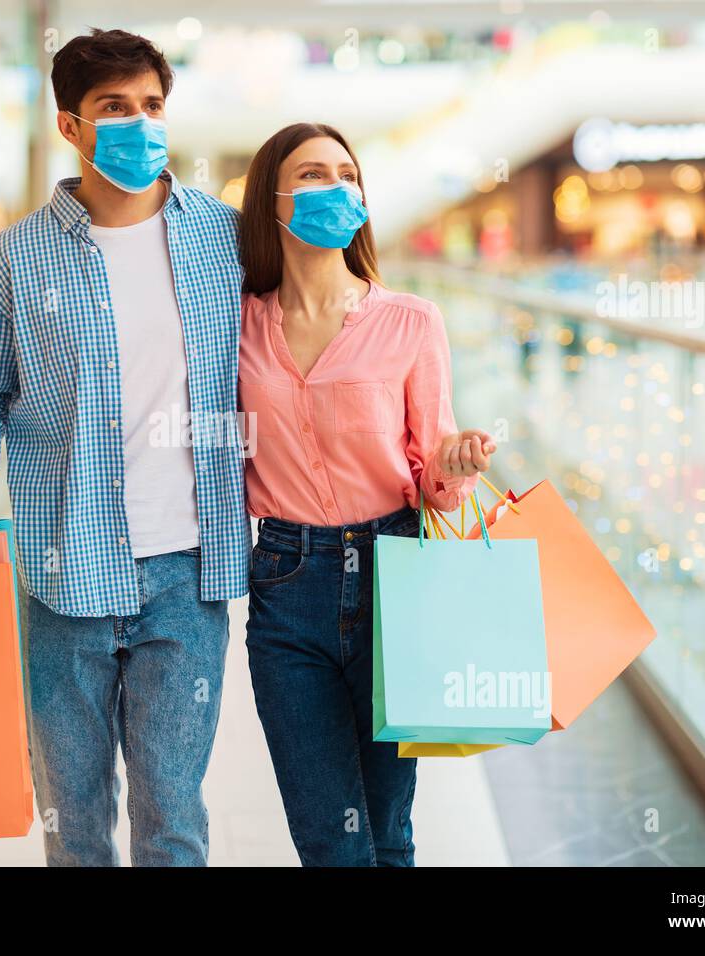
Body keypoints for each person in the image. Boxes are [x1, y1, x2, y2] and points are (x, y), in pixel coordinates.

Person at [0, 29, 249, 866]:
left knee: (173, 821)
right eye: (113, 109)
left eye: (152, 107)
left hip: (187, 575)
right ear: (69, 125)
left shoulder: (225, 242)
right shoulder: (15, 258)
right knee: (75, 824)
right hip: (64, 574)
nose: (138, 125)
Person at [237, 122, 498, 866]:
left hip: (394, 572)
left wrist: (455, 463)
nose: (337, 188)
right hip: (287, 586)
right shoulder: (238, 325)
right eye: (314, 174)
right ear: (275, 198)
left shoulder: (412, 321)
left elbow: (437, 485)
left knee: (388, 833)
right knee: (329, 840)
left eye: (348, 175)